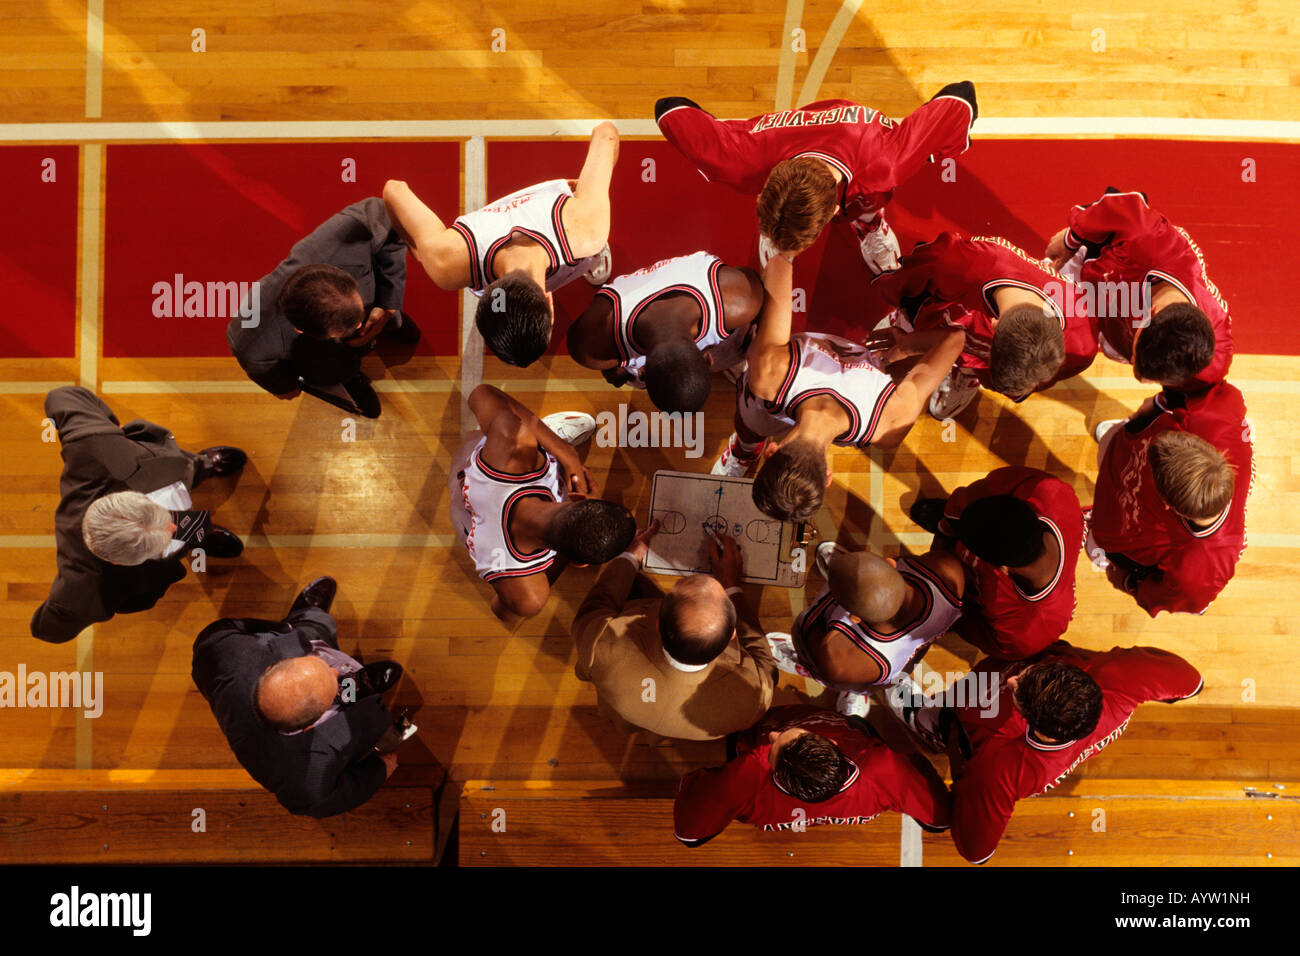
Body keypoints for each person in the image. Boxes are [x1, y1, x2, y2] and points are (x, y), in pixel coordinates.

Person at [888, 643, 1202, 864]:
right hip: (1018, 672)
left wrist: (960, 770)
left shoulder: (998, 769)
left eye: (1018, 690)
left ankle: (929, 723)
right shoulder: (1120, 675)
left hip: (966, 715)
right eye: (1030, 675)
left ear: (1035, 724)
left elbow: (976, 852)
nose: (1013, 679)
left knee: (942, 715)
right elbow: (1192, 683)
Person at [712, 254, 966, 523]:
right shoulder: (768, 374)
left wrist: (905, 345)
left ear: (828, 476)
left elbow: (954, 339)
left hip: (798, 374)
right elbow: (779, 263)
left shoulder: (889, 425)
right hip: (796, 374)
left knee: (754, 409)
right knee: (756, 395)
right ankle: (744, 450)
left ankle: (745, 448)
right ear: (772, 451)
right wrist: (904, 346)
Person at [653, 84, 978, 273]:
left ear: (836, 211)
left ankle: (869, 225)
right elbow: (671, 110)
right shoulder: (737, 160)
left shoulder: (886, 162)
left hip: (861, 145)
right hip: (837, 151)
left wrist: (932, 148)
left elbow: (960, 97)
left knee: (869, 203)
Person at [382, 122, 619, 367]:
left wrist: (592, 197)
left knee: (592, 245)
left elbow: (606, 133)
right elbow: (393, 190)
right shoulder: (445, 262)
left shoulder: (588, 231)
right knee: (591, 240)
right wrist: (421, 252)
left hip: (564, 226)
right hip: (549, 220)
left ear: (550, 302)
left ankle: (591, 252)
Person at [31, 386, 246, 643]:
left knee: (187, 472)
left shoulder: (93, 447)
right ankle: (201, 535)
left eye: (165, 519)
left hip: (163, 470)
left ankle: (204, 465)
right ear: (117, 563)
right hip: (144, 529)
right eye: (163, 539)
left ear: (127, 498)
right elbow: (46, 630)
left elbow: (61, 396)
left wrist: (114, 431)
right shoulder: (83, 583)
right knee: (190, 529)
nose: (175, 526)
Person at [192, 576, 411, 818]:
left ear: (271, 670)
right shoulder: (306, 780)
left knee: (312, 631)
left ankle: (306, 616)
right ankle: (355, 689)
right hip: (354, 723)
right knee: (346, 686)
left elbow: (218, 633)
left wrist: (286, 629)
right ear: (310, 726)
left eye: (321, 666)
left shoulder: (224, 651)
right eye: (332, 686)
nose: (335, 668)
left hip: (295, 642)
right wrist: (378, 771)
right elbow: (331, 799)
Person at [571, 520, 778, 741]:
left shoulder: (602, 646)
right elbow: (764, 663)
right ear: (732, 636)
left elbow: (594, 607)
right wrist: (731, 584)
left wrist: (631, 556)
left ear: (658, 623)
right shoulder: (751, 700)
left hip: (628, 711)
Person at [449, 384, 636, 626]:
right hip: (472, 531)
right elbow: (502, 611)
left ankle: (549, 441)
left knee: (521, 431)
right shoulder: (530, 597)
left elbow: (480, 393)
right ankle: (553, 446)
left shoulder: (513, 440)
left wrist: (567, 455)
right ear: (579, 563)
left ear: (577, 498)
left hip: (476, 477)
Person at [226, 197, 420, 419]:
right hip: (319, 354)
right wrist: (285, 387)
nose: (360, 324)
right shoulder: (252, 341)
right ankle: (346, 375)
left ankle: (385, 321)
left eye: (357, 316)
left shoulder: (351, 231)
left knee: (385, 316)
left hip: (372, 303)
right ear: (300, 329)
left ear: (338, 276)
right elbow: (278, 382)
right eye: (351, 326)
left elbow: (393, 219)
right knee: (327, 367)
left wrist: (389, 304)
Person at [872, 232, 1100, 418]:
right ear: (994, 325)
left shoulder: (1083, 347)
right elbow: (909, 279)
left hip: (994, 338)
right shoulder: (963, 262)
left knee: (1009, 376)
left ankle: (968, 375)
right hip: (948, 306)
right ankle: (904, 323)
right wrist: (896, 309)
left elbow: (1025, 379)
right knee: (914, 303)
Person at [673, 704, 952, 844]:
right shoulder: (882, 769)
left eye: (775, 741)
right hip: (844, 731)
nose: (772, 735)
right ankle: (850, 710)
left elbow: (689, 833)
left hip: (761, 722)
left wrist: (758, 758)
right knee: (859, 724)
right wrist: (912, 762)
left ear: (778, 777)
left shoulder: (752, 779)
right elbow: (940, 819)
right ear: (832, 743)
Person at [1044, 187, 1231, 392]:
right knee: (1038, 317)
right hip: (1090, 274)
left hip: (1117, 327)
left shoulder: (1212, 357)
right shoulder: (1147, 237)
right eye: (1136, 360)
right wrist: (1071, 240)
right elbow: (1120, 206)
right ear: (1150, 313)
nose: (1137, 375)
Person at [1088, 383, 1251, 615]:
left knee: (1098, 539)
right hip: (1122, 451)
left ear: (1166, 503)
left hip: (1122, 538)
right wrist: (1154, 409)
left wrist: (1128, 582)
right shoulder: (1222, 418)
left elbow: (1177, 597)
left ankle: (1093, 520)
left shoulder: (1201, 567)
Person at [766, 540, 964, 717]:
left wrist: (813, 642)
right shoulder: (947, 570)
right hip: (901, 656)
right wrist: (868, 581)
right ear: (890, 563)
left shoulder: (838, 659)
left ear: (855, 617)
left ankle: (826, 676)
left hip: (869, 665)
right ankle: (859, 581)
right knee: (861, 586)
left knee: (813, 651)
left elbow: (808, 636)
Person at [909, 466, 1083, 661]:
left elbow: (968, 626)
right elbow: (971, 497)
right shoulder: (1051, 492)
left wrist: (938, 593)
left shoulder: (1023, 631)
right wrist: (946, 528)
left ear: (1002, 569)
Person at [566, 251, 764, 412]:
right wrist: (617, 373)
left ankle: (593, 257)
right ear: (708, 359)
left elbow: (614, 373)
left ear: (642, 372)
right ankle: (592, 253)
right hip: (705, 287)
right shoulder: (742, 300)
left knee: (742, 330)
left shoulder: (742, 300)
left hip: (618, 312)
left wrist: (618, 373)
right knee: (740, 335)